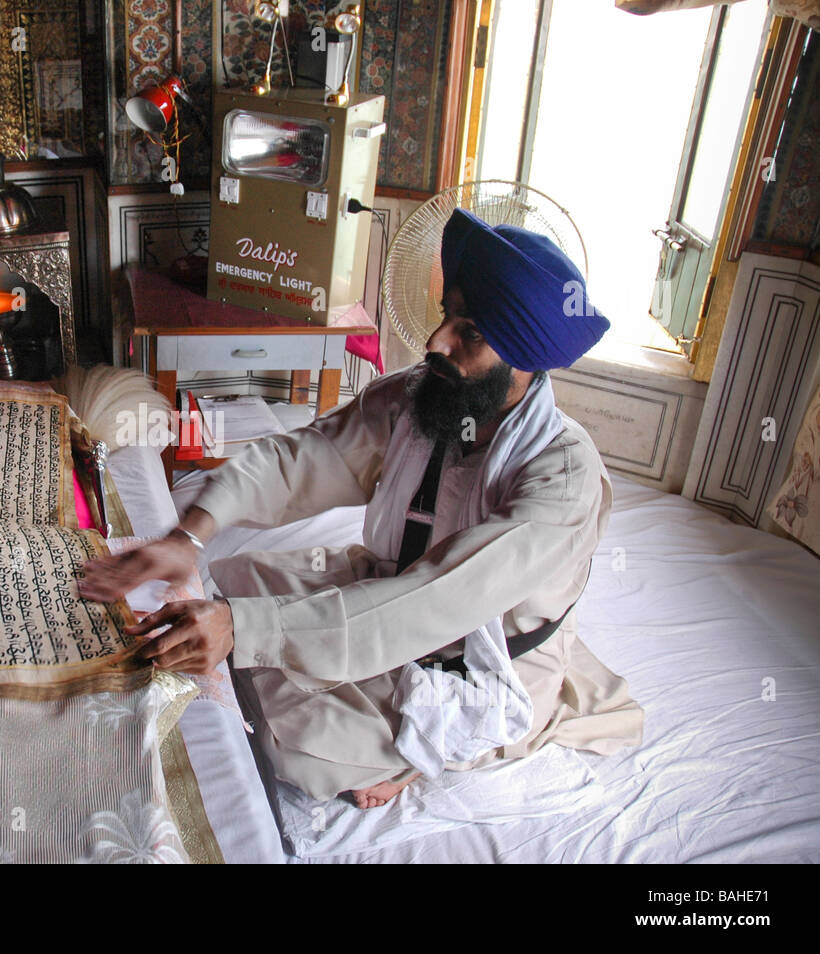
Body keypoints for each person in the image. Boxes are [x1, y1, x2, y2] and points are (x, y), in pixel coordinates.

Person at [79, 209, 644, 808]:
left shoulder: (562, 479)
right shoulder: (423, 395)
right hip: (392, 588)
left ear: (525, 362)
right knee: (228, 582)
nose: (437, 341)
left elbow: (438, 599)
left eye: (470, 333)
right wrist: (188, 537)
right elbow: (305, 457)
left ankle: (419, 758)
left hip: (474, 652)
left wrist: (245, 630)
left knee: (285, 742)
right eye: (447, 313)